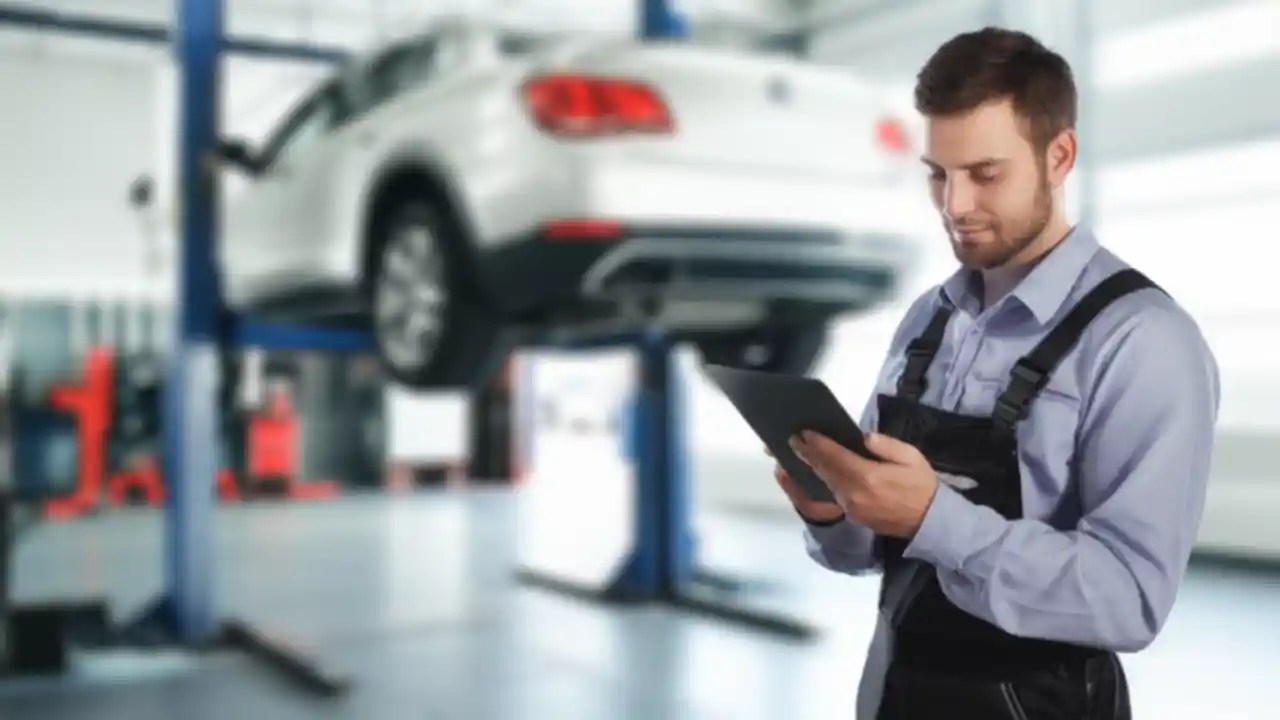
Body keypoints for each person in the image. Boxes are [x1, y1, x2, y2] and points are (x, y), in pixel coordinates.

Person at [773, 27, 1220, 720]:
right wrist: (830, 506)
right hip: (895, 694)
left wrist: (934, 517)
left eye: (985, 174)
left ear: (1059, 156)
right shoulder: (929, 319)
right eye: (937, 174)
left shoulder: (1143, 341)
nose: (954, 206)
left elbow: (1130, 600)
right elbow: (863, 549)